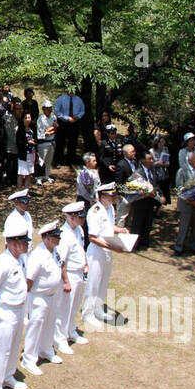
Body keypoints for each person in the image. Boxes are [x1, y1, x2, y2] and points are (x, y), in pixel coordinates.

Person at [0, 215, 32, 389]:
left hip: (18, 309)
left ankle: (8, 375)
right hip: (5, 309)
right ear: (13, 243)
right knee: (2, 349)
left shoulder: (19, 259)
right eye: (23, 242)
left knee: (13, 346)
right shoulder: (3, 263)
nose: (27, 245)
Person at [21, 220, 64, 375]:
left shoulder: (54, 251)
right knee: (35, 327)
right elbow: (29, 279)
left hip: (51, 295)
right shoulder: (38, 255)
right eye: (55, 237)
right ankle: (29, 359)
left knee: (50, 324)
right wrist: (27, 299)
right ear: (47, 238)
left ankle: (46, 350)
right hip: (39, 296)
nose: (59, 239)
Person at [84, 183, 129, 327]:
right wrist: (112, 247)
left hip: (108, 249)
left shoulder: (109, 209)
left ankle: (98, 309)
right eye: (111, 195)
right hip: (97, 251)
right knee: (93, 282)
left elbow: (109, 226)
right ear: (102, 196)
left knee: (103, 281)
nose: (113, 198)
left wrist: (120, 230)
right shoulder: (95, 211)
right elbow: (92, 237)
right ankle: (88, 313)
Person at [52, 202, 89, 355]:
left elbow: (81, 248)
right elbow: (61, 261)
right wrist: (66, 281)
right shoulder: (64, 235)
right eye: (80, 217)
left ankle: (71, 330)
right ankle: (60, 338)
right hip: (70, 274)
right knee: (64, 308)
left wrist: (85, 264)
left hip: (79, 273)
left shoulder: (79, 229)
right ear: (72, 218)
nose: (83, 220)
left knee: (74, 305)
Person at [173, 152, 195, 257]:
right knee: (184, 226)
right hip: (186, 203)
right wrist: (191, 200)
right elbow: (179, 188)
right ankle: (179, 246)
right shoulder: (182, 171)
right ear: (189, 160)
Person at [54, 88, 85, 164]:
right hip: (63, 123)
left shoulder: (79, 100)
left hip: (75, 123)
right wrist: (67, 118)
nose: (71, 90)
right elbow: (57, 111)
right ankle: (59, 160)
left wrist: (77, 117)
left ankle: (70, 160)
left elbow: (82, 110)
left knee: (73, 142)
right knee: (60, 142)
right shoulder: (61, 99)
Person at [36, 101, 57, 184]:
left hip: (51, 141)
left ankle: (47, 176)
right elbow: (42, 132)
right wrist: (49, 131)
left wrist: (50, 131)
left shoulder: (53, 117)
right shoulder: (41, 119)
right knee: (41, 160)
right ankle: (38, 177)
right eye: (47, 108)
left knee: (49, 160)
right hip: (43, 142)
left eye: (50, 108)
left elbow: (55, 128)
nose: (49, 109)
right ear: (43, 109)